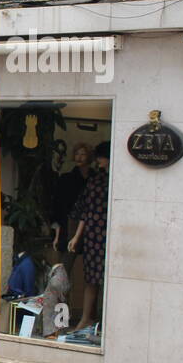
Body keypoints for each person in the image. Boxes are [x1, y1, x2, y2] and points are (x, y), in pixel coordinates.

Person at [67, 140, 110, 333]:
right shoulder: (96, 179)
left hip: (109, 234)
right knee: (91, 278)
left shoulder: (117, 179)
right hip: (93, 234)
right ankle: (85, 319)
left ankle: (102, 321)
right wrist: (77, 236)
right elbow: (85, 209)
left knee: (108, 280)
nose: (98, 160)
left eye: (101, 156)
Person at [50, 142, 92, 252]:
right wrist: (57, 233)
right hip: (69, 222)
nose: (79, 157)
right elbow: (58, 206)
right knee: (67, 256)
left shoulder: (95, 179)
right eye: (77, 154)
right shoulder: (66, 179)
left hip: (90, 224)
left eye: (83, 154)